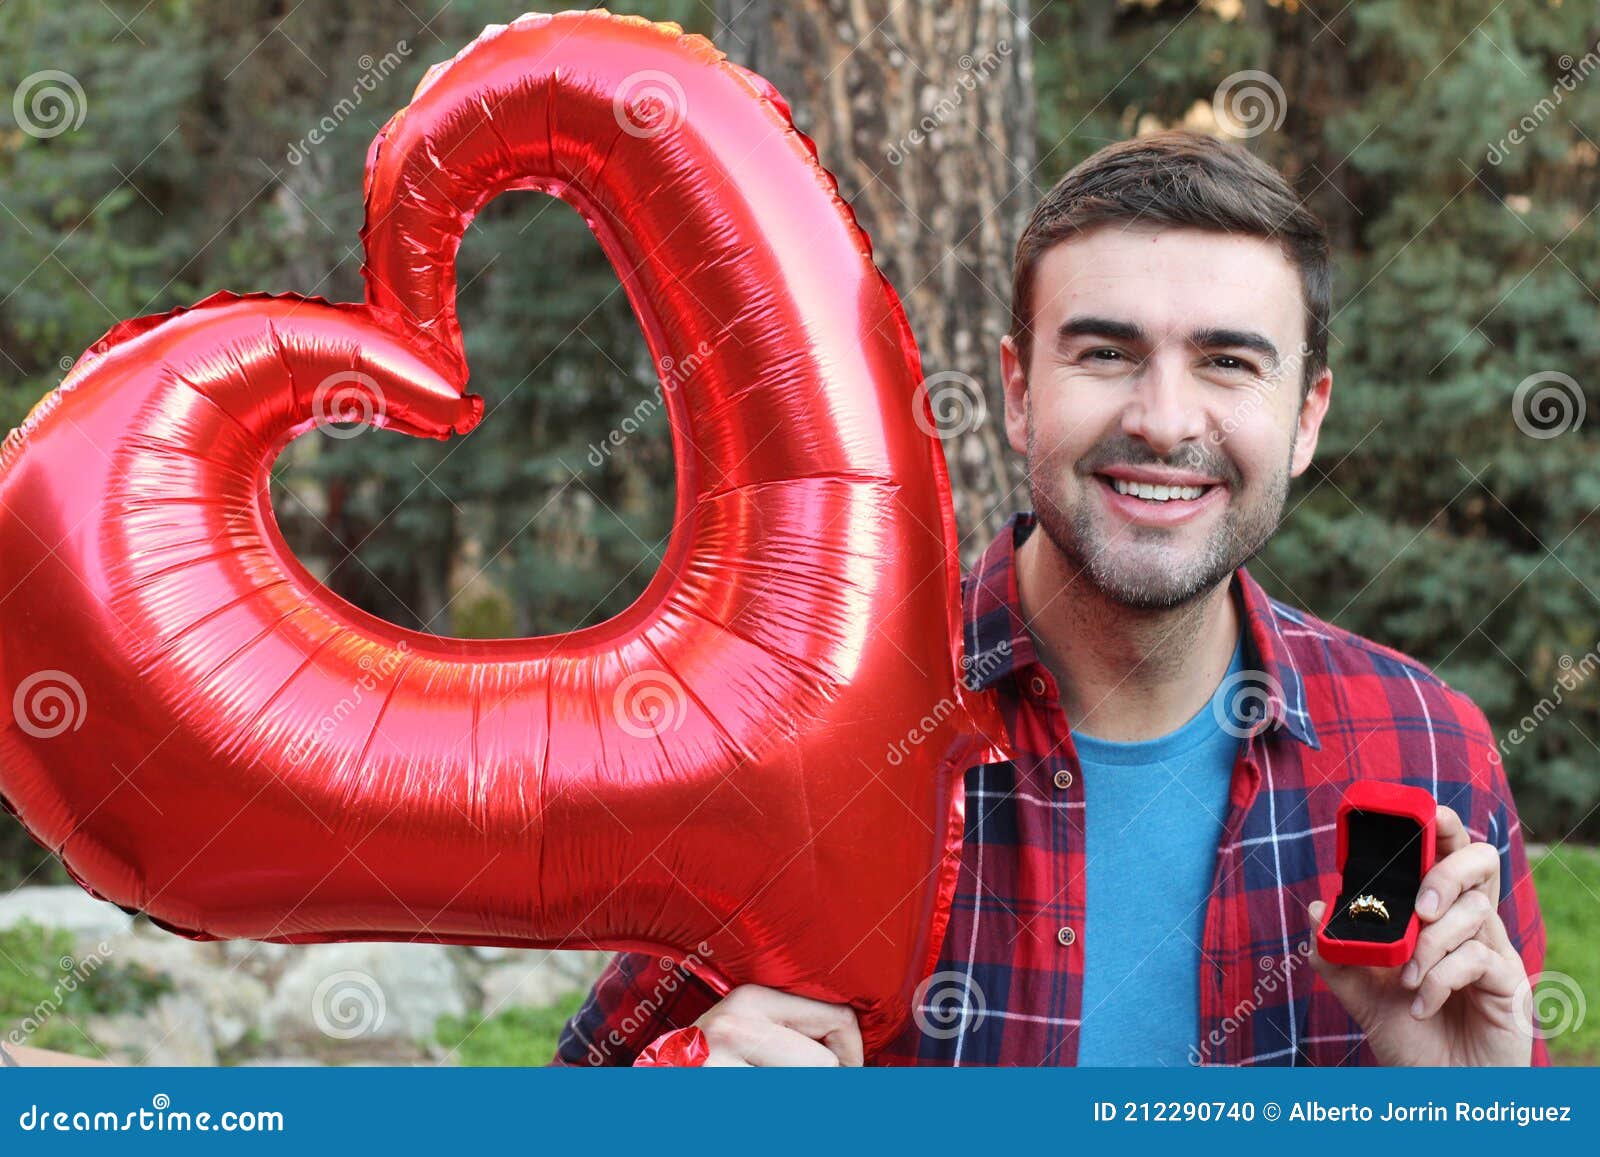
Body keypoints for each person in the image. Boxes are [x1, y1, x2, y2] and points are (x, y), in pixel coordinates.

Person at [552, 130, 1550, 1068]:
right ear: (1018, 391)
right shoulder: (810, 730)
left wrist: (1476, 1110)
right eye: (1105, 352)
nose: (1162, 420)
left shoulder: (1428, 747)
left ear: (1305, 417)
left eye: (1227, 361)